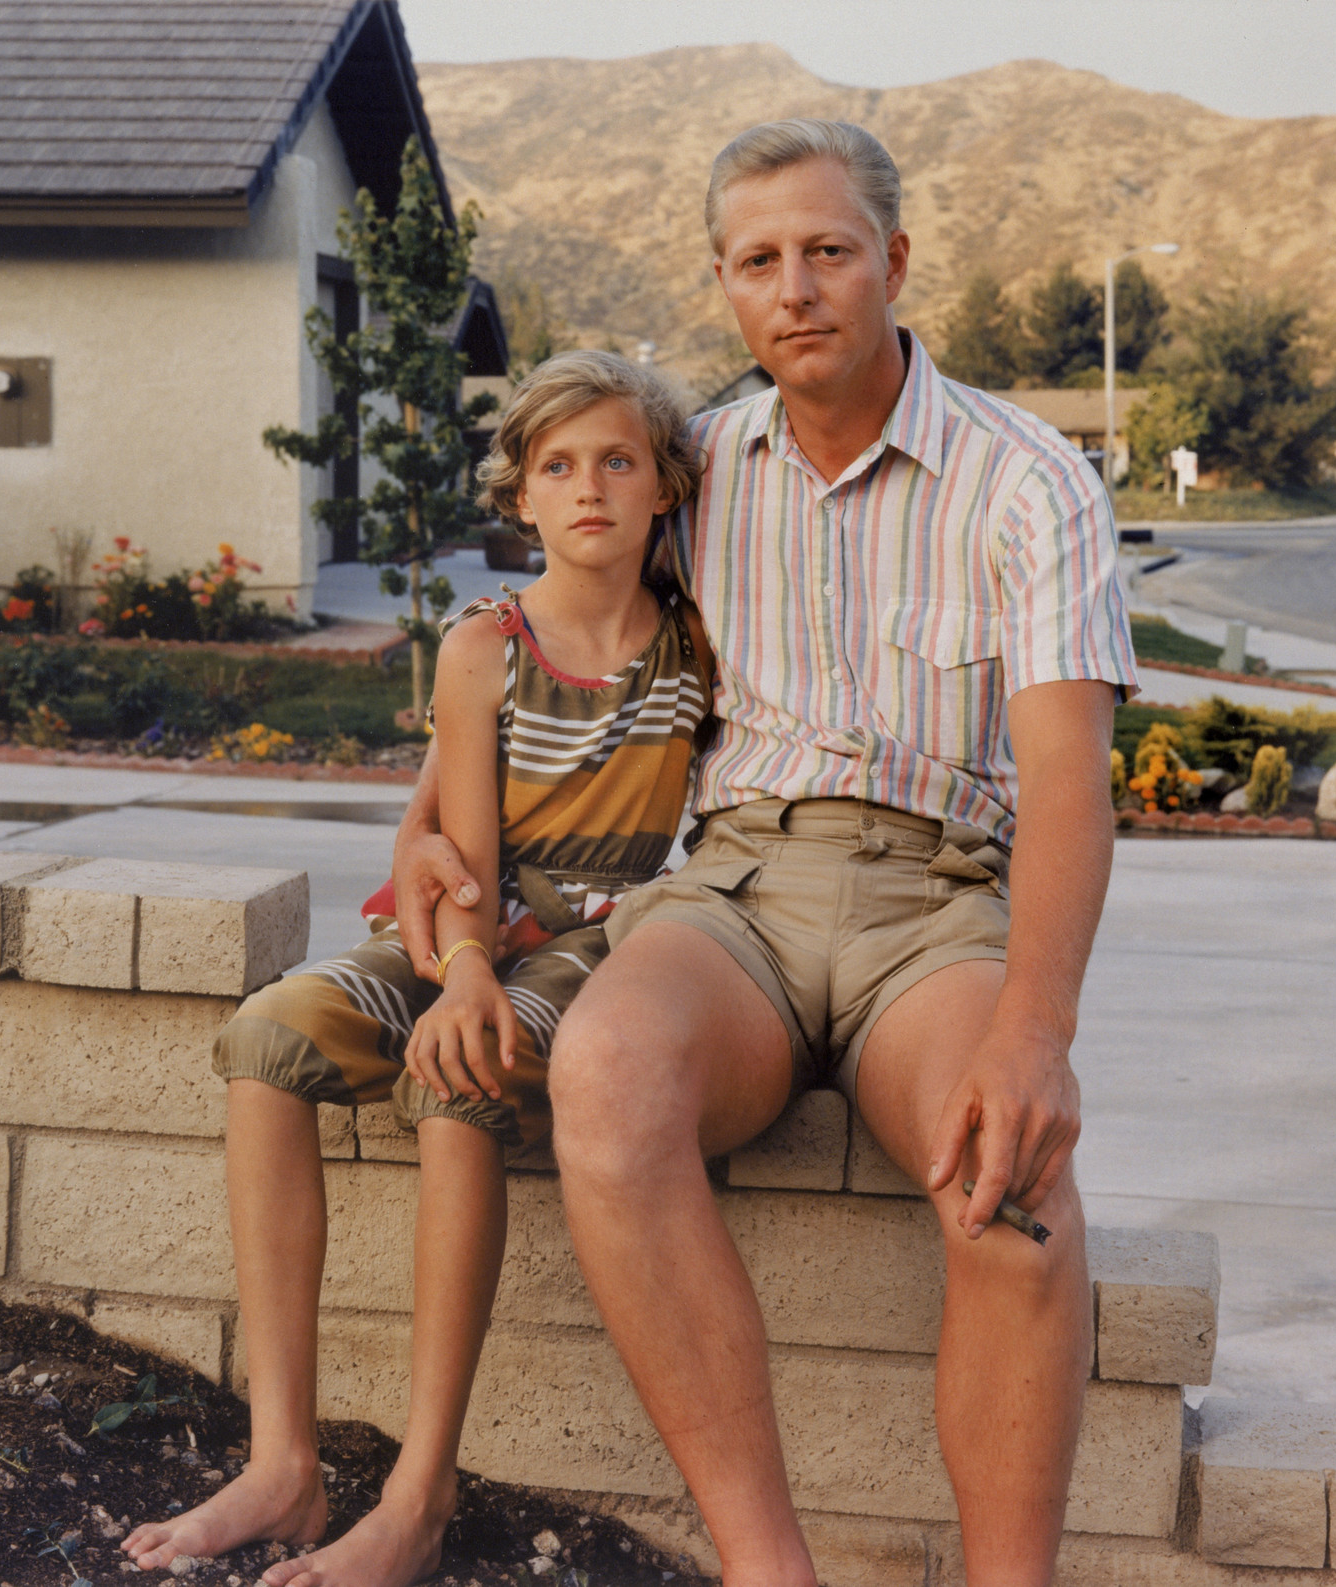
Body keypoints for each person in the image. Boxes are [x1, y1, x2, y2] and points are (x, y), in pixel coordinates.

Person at [395, 119, 1138, 1587]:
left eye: (827, 251)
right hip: (734, 888)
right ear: (725, 286)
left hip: (937, 906)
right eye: (758, 261)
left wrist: (1034, 1031)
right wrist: (426, 818)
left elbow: (1068, 782)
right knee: (605, 1072)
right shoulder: (696, 469)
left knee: (1014, 1189)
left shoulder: (1027, 478)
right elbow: (537, 627)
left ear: (894, 263)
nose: (794, 287)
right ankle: (765, 1565)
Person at [123, 352, 711, 1587]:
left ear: (666, 486)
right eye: (558, 466)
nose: (589, 487)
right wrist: (459, 967)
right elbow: (457, 848)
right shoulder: (482, 646)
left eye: (618, 460)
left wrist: (476, 997)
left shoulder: (696, 647)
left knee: (456, 1080)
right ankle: (282, 1459)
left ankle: (419, 1487)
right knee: (269, 1038)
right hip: (473, 923)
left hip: (604, 940)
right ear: (521, 498)